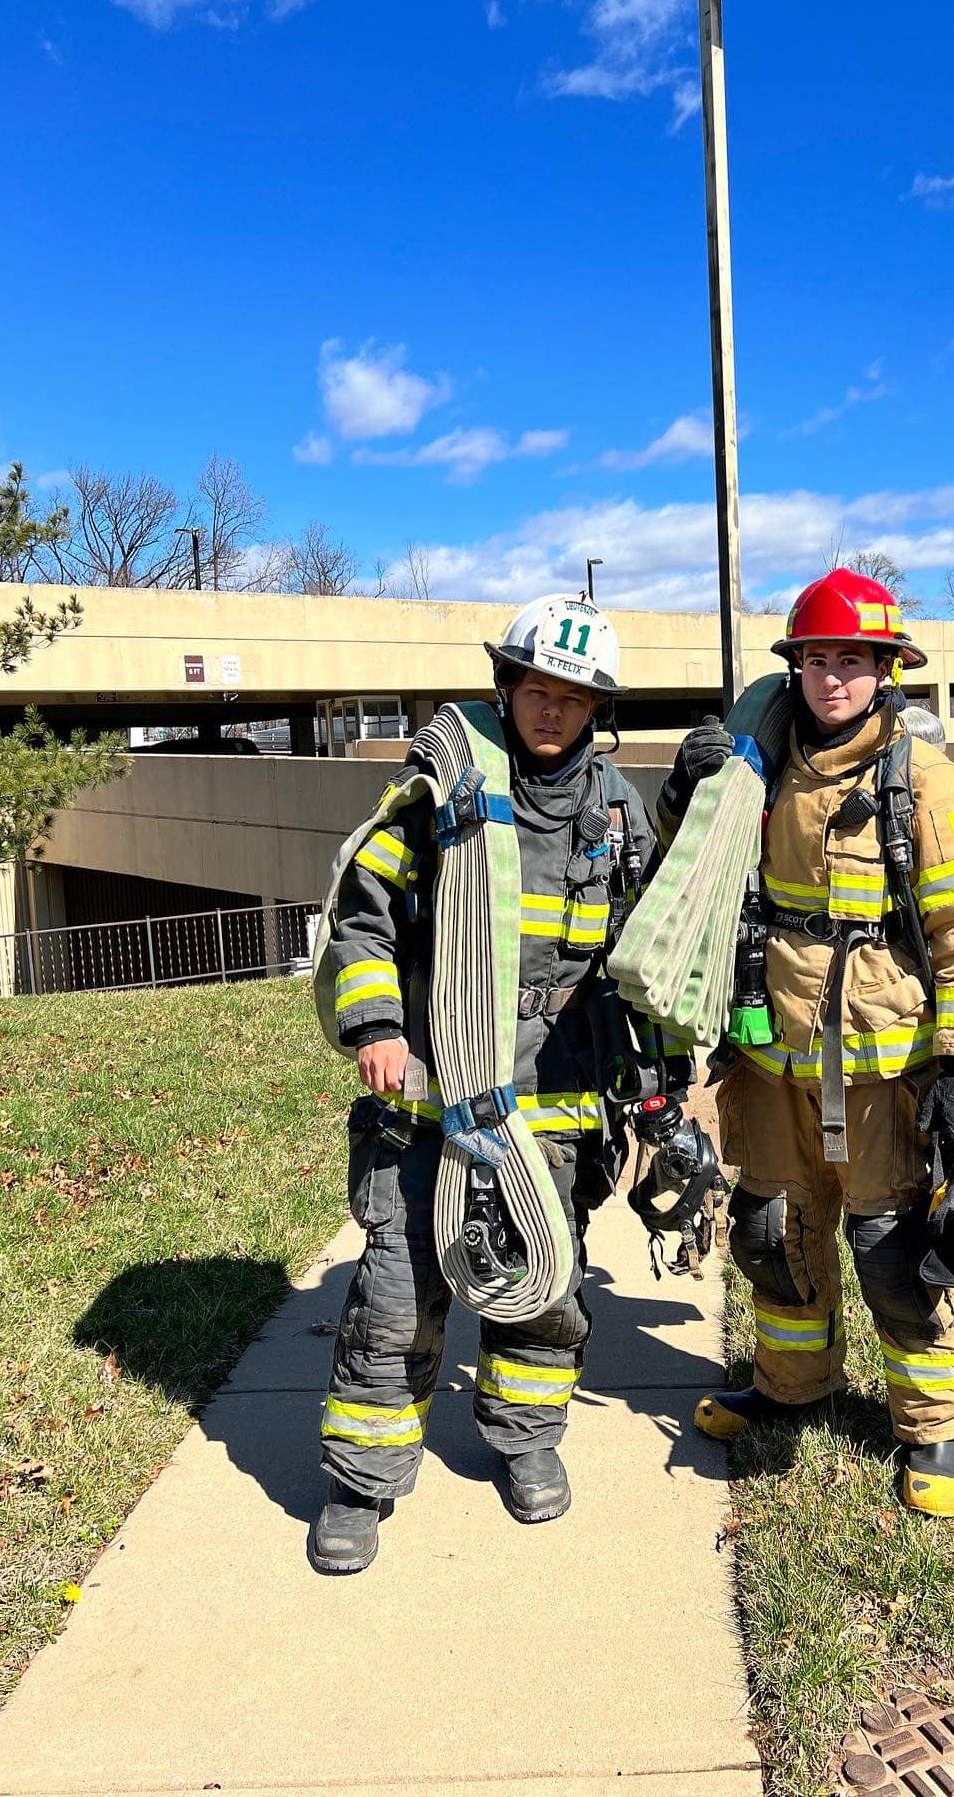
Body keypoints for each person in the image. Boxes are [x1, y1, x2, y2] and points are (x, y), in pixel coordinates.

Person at [310, 593, 665, 1574]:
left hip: (554, 1101)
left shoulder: (619, 808)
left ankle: (525, 1443)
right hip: (428, 1095)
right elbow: (363, 917)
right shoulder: (440, 792)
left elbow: (657, 935)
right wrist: (376, 1025)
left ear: (598, 710)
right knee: (397, 1292)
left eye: (574, 698)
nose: (552, 712)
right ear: (507, 688)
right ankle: (361, 1482)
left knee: (542, 1286)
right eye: (536, 690)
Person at [663, 568, 954, 1519]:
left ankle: (934, 1424)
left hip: (884, 1068)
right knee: (774, 1234)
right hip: (771, 1057)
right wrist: (685, 789)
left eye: (851, 661)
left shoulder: (925, 783)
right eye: (815, 660)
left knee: (893, 1249)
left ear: (887, 668)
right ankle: (789, 1388)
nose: (830, 681)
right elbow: (684, 869)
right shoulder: (757, 767)